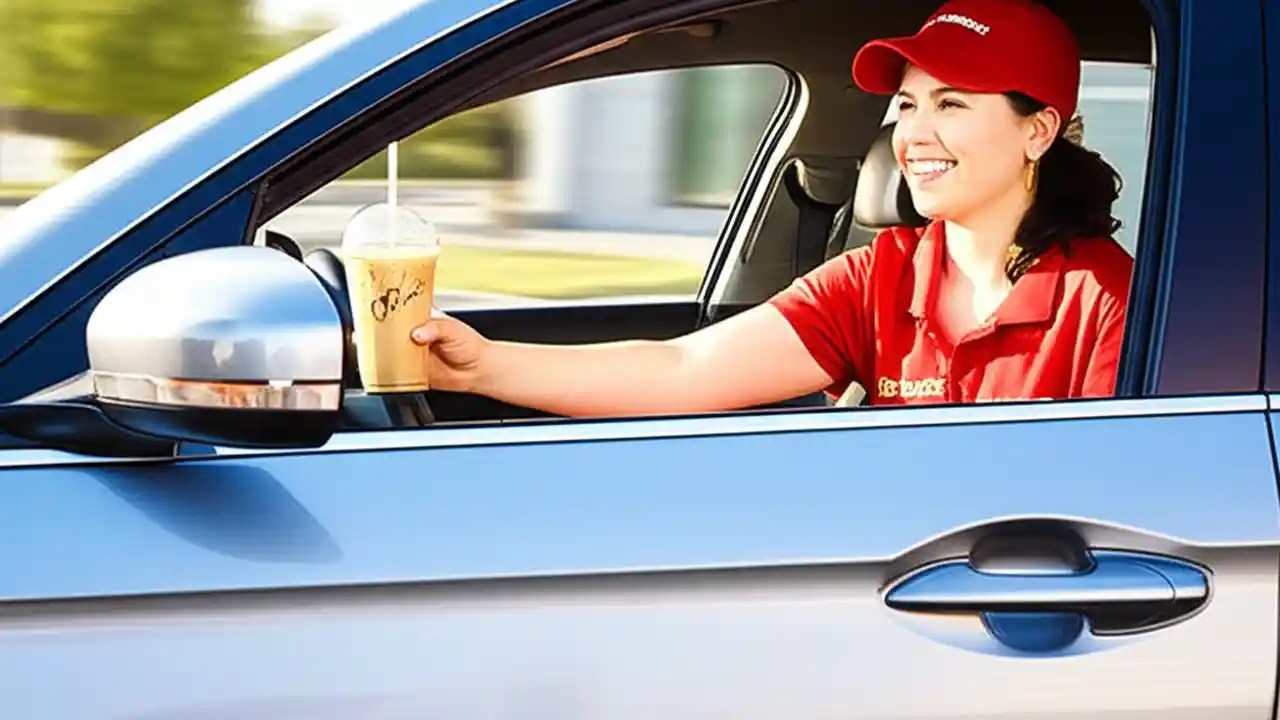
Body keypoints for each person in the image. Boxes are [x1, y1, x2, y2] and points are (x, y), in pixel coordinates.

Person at [409, 0, 1133, 416]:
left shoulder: (1109, 298)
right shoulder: (877, 278)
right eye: (907, 103)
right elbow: (681, 369)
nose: (914, 134)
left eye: (952, 104)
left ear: (1036, 131)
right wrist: (479, 368)